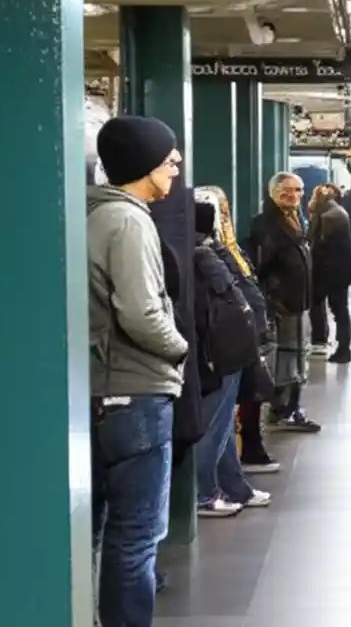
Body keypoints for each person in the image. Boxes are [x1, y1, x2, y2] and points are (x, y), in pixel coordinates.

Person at [87, 115, 189, 626]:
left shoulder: (93, 214)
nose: (175, 168)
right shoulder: (128, 221)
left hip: (103, 392)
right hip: (134, 393)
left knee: (97, 529)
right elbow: (141, 312)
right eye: (169, 159)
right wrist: (180, 349)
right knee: (137, 538)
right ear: (144, 164)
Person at [192, 201, 272, 517]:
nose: (226, 220)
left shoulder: (215, 251)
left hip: (232, 349)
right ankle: (205, 494)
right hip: (224, 350)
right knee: (215, 425)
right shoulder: (205, 255)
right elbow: (230, 292)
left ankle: (234, 486)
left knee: (223, 425)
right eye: (220, 214)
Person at [244, 172, 321, 433]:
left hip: (298, 302)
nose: (294, 195)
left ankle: (290, 407)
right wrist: (274, 299)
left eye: (299, 190)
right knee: (287, 357)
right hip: (284, 305)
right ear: (273, 193)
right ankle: (284, 409)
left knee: (298, 355)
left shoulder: (295, 219)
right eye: (287, 190)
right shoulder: (266, 223)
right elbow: (262, 266)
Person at [308, 183, 351, 364]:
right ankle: (338, 346)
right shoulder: (337, 212)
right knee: (340, 310)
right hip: (340, 270)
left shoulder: (328, 216)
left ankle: (341, 349)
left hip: (332, 272)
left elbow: (318, 245)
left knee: (338, 311)